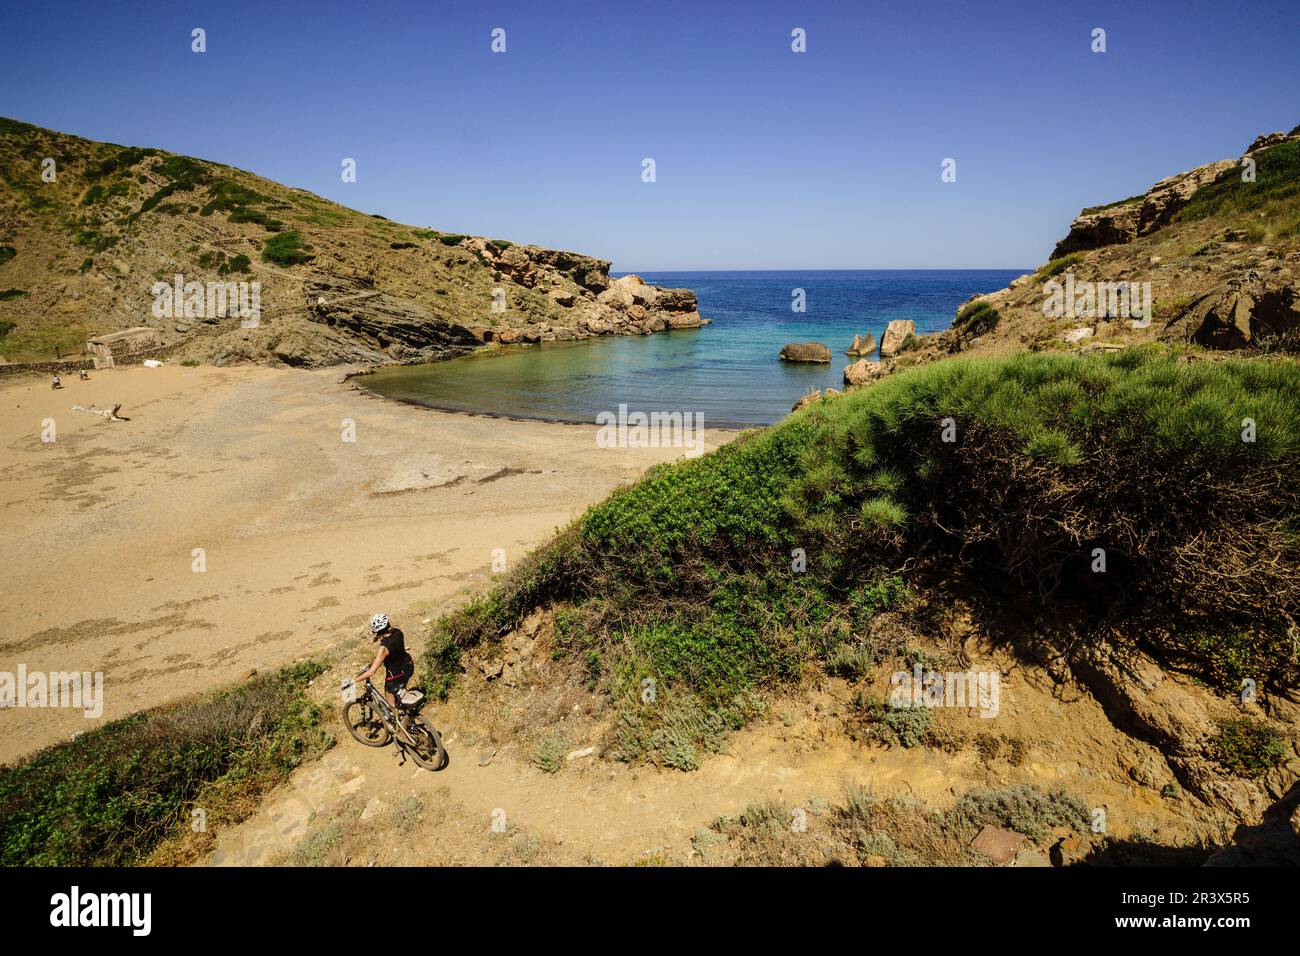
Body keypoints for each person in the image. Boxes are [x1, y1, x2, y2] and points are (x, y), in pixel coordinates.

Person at [356, 613, 415, 715]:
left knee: (390, 705)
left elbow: (371, 672)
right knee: (401, 692)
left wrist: (353, 681)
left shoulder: (383, 648)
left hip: (395, 677)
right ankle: (404, 709)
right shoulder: (398, 632)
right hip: (408, 666)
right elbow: (396, 649)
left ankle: (399, 723)